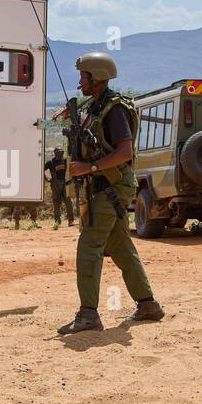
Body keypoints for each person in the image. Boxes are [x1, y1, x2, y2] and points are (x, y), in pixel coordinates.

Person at [58, 52, 165, 334]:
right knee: (119, 245)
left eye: (83, 76)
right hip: (106, 187)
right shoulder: (96, 106)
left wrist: (88, 166)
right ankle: (148, 304)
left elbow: (125, 151)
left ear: (96, 77)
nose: (79, 81)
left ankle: (88, 315)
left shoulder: (115, 110)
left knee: (89, 246)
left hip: (112, 187)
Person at [45, 147, 74, 228]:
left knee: (68, 202)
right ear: (55, 153)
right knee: (56, 203)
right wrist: (47, 179)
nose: (61, 153)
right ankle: (57, 221)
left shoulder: (65, 161)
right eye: (59, 152)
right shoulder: (51, 162)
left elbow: (71, 169)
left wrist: (71, 179)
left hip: (65, 183)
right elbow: (41, 169)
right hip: (55, 185)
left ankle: (70, 220)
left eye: (62, 152)